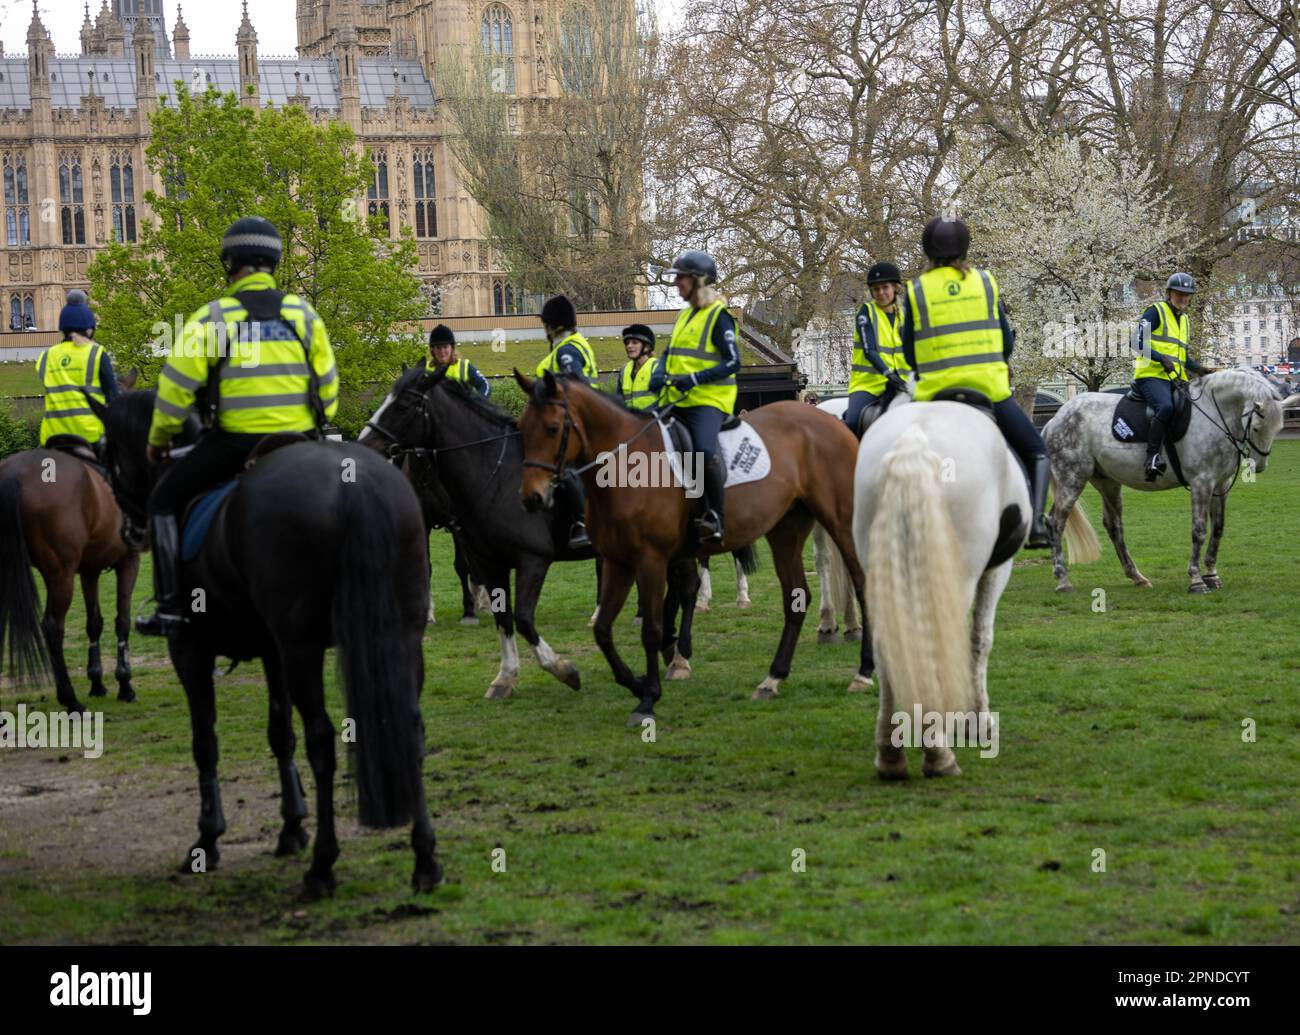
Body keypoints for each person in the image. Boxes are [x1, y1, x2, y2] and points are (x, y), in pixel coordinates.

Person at [135, 216, 339, 637]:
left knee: (163, 501)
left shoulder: (213, 318)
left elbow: (173, 393)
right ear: (275, 262)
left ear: (230, 262)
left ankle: (172, 606)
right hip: (300, 443)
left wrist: (157, 441)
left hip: (235, 446)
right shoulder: (303, 314)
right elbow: (329, 389)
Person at [900, 217, 1050, 549]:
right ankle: (1038, 525)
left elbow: (909, 353)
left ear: (928, 252)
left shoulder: (916, 291)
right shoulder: (985, 283)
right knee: (1037, 452)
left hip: (934, 396)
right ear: (964, 249)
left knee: (897, 455)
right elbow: (1007, 341)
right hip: (989, 391)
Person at [650, 249, 740, 544]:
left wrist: (694, 378)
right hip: (676, 399)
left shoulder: (719, 316)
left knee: (702, 451)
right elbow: (669, 352)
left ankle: (716, 517)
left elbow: (732, 362)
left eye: (682, 278)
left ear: (700, 281)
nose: (676, 283)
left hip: (708, 400)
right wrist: (659, 371)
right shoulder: (684, 315)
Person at [1130, 272, 1215, 481]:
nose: (1183, 299)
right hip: (1151, 375)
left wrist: (1200, 369)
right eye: (1179, 294)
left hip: (1175, 379)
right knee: (1165, 407)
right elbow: (1135, 342)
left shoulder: (1185, 320)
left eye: (1187, 295)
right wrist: (1161, 359)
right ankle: (1151, 458)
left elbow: (1180, 355)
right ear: (1169, 293)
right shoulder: (1155, 311)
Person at [533, 295, 599, 549]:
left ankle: (581, 521)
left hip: (577, 424)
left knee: (565, 468)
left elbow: (575, 386)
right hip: (570, 421)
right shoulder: (566, 346)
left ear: (552, 326)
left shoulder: (568, 351)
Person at [37, 289, 119, 446]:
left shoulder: (46, 356)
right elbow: (113, 397)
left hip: (52, 435)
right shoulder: (96, 353)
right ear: (89, 330)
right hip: (90, 434)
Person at [844, 260, 910, 436]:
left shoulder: (905, 314)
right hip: (869, 384)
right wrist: (888, 374)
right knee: (853, 420)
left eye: (885, 287)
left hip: (903, 381)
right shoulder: (866, 312)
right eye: (876, 289)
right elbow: (869, 349)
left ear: (895, 287)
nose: (881, 293)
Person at [428, 324, 490, 398]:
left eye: (445, 347)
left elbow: (485, 386)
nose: (442, 351)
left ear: (452, 348)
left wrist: (476, 402)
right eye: (438, 348)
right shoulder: (425, 369)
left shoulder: (463, 367)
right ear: (433, 350)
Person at [617, 324, 657, 410]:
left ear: (647, 347)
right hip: (630, 421)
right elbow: (619, 402)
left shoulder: (657, 367)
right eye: (627, 343)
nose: (629, 346)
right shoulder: (624, 371)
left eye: (634, 342)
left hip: (654, 420)